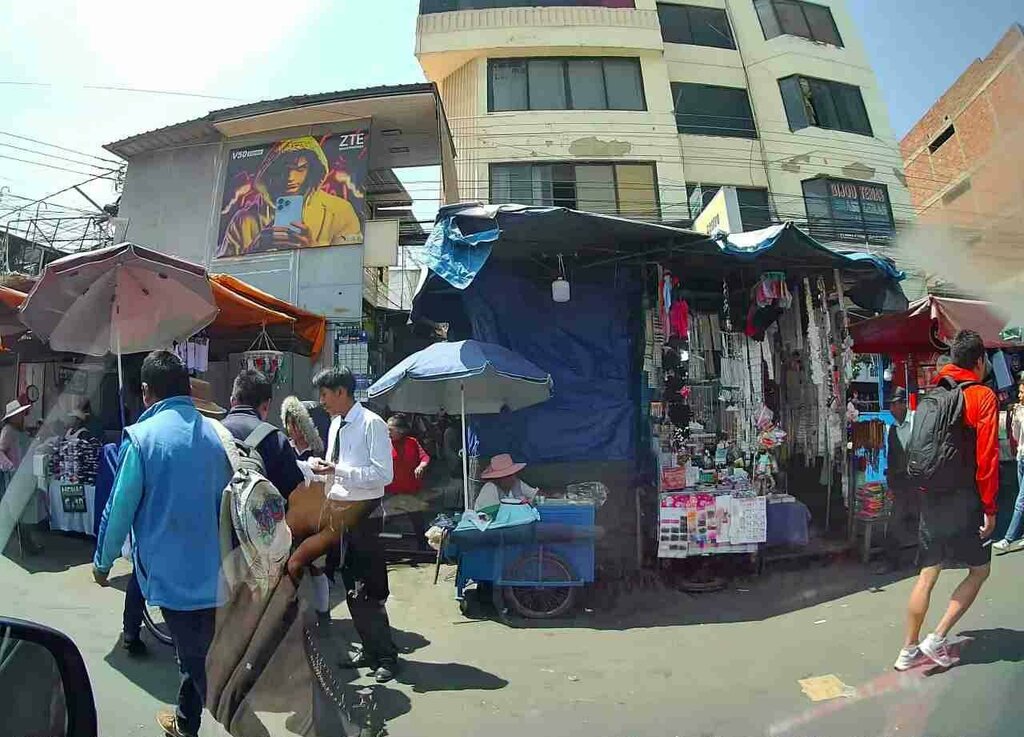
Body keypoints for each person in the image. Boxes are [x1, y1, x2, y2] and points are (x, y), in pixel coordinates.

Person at [92, 351, 232, 737]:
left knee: (199, 665)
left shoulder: (141, 438)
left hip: (172, 578)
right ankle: (185, 722)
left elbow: (118, 510)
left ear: (146, 392)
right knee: (199, 655)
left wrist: (102, 564)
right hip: (221, 572)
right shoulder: (217, 434)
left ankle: (246, 725)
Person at [894, 330, 998, 671]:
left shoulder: (933, 394)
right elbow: (987, 459)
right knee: (980, 570)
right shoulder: (980, 396)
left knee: (927, 574)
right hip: (964, 499)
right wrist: (991, 509)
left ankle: (908, 651)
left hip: (932, 496)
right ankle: (936, 638)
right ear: (979, 361)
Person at [308, 366, 398, 683]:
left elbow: (384, 475)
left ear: (342, 392)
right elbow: (337, 469)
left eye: (325, 394)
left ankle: (387, 656)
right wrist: (324, 473)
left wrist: (339, 470)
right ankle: (371, 650)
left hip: (366, 513)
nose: (322, 401)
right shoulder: (335, 425)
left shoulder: (372, 424)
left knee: (369, 589)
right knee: (350, 588)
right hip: (340, 512)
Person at [217, 136, 362, 257]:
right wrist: (255, 249)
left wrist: (313, 248)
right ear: (272, 170)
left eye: (300, 168)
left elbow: (348, 266)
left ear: (313, 170)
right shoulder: (242, 220)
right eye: (285, 169)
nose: (290, 177)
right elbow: (222, 277)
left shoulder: (341, 212)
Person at [877, 387, 917, 573]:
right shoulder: (892, 429)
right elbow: (891, 458)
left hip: (917, 482)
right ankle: (891, 562)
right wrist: (891, 485)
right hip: (901, 483)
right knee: (895, 523)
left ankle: (928, 560)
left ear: (904, 404)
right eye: (890, 406)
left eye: (895, 405)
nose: (892, 409)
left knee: (922, 521)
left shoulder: (916, 422)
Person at [0, 398, 41, 555]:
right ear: (12, 417)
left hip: (22, 476)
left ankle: (26, 542)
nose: (21, 416)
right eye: (18, 415)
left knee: (22, 511)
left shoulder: (18, 430)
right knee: (18, 512)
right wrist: (9, 467)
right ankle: (26, 544)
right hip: (14, 476)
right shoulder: (8, 431)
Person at [385, 414, 431, 548]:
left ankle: (422, 546)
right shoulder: (384, 444)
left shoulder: (412, 442)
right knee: (383, 519)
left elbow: (425, 457)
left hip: (410, 489)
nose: (388, 433)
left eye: (390, 430)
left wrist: (421, 466)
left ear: (401, 430)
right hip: (390, 490)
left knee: (416, 520)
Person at [994, 377, 1024, 555]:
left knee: (1020, 500)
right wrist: (1016, 419)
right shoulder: (1019, 411)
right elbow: (1016, 435)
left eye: (1022, 392)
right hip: (1020, 456)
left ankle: (1008, 538)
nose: (1019, 396)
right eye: (1019, 392)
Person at [473, 454, 538, 516]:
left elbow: (534, 495)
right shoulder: (490, 489)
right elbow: (489, 514)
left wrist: (530, 501)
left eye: (512, 474)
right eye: (507, 475)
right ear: (498, 478)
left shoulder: (516, 482)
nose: (511, 478)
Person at [281, 395, 325, 461]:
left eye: (296, 422)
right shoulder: (284, 450)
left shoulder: (320, 454)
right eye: (288, 422)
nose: (291, 427)